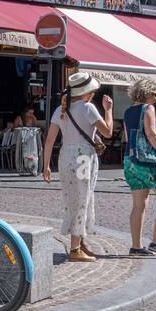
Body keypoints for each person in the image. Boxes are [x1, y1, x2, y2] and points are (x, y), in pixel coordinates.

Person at [41, 71, 113, 262]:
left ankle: (80, 242)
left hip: (65, 156)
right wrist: (108, 110)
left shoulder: (61, 110)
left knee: (72, 198)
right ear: (87, 92)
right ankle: (75, 249)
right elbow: (108, 132)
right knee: (82, 199)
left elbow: (49, 141)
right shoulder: (88, 108)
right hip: (83, 158)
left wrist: (45, 165)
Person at [121, 78, 156, 258]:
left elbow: (128, 138)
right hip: (150, 162)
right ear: (150, 93)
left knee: (139, 206)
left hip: (131, 161)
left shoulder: (128, 112)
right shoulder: (148, 109)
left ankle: (136, 246)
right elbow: (151, 133)